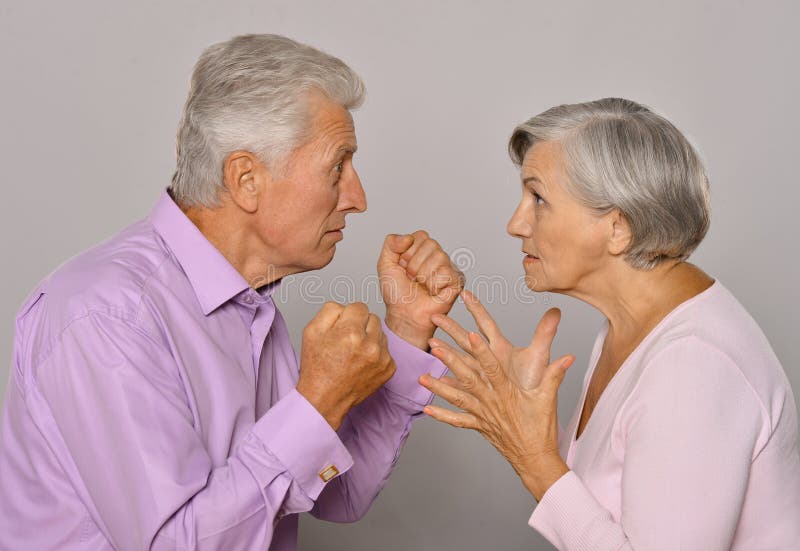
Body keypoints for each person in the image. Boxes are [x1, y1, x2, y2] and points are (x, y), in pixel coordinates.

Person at [0, 34, 463, 550]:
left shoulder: (249, 305)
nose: (358, 198)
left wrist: (404, 331)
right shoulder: (106, 315)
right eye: (338, 166)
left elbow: (338, 493)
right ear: (246, 179)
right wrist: (316, 402)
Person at [419, 98, 800, 550]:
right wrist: (528, 419)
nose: (515, 223)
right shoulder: (630, 326)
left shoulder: (692, 366)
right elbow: (624, 494)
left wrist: (534, 457)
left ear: (618, 228)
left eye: (538, 198)